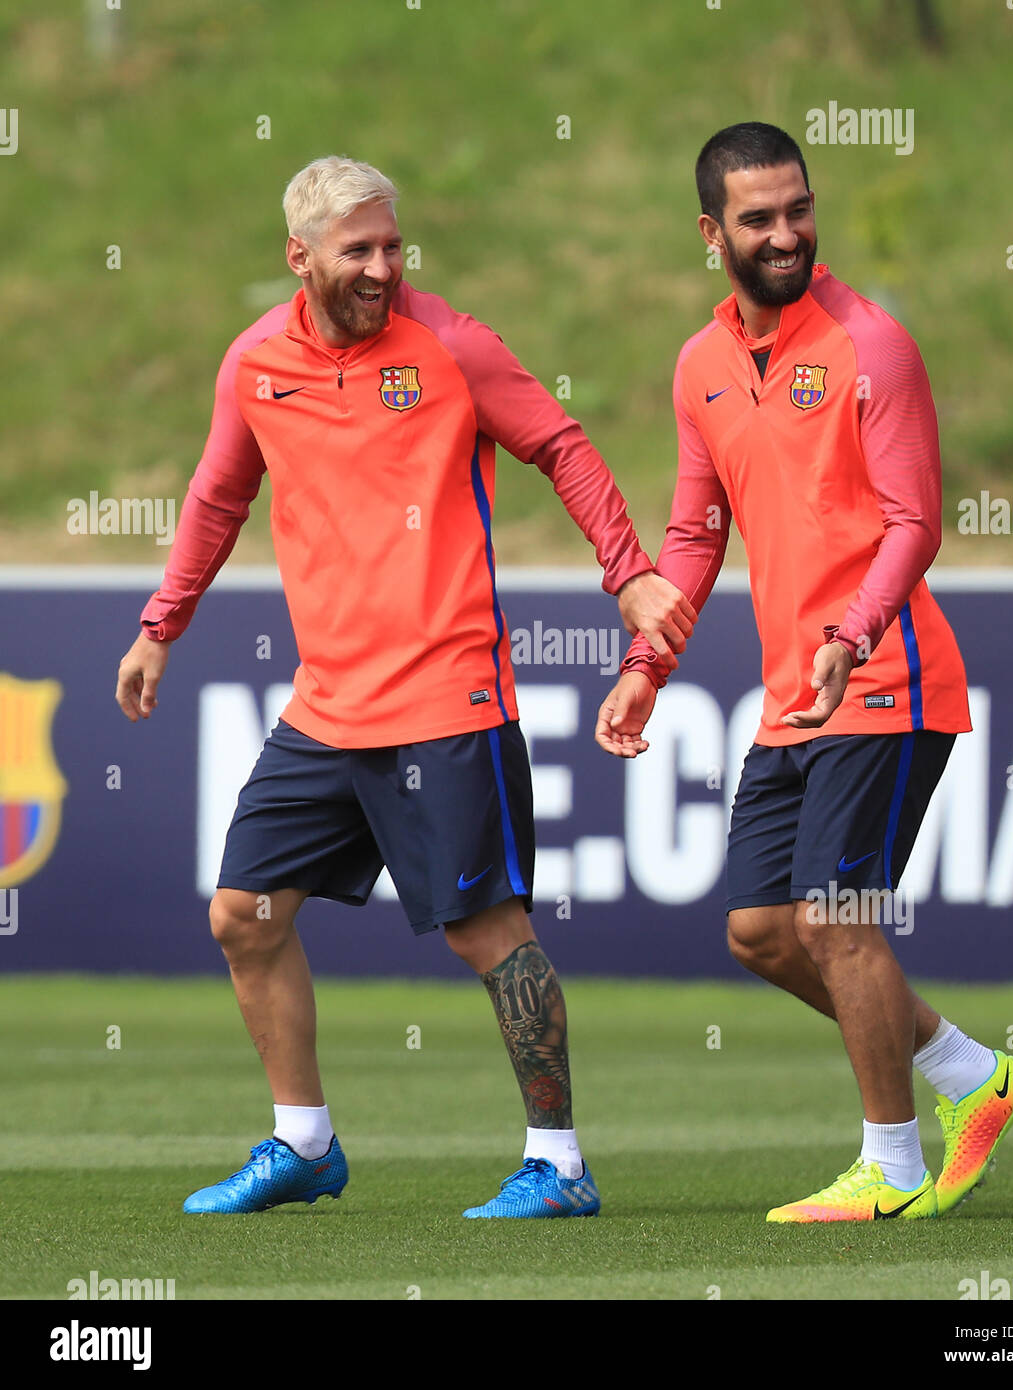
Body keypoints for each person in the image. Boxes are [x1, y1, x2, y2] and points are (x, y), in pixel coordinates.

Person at [115, 155, 695, 1219]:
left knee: (490, 936)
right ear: (299, 259)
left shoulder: (452, 345)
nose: (384, 266)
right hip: (327, 703)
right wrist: (163, 625)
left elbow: (561, 445)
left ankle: (558, 1163)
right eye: (358, 251)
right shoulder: (254, 364)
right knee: (242, 913)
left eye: (393, 245)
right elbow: (214, 497)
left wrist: (629, 570)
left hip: (446, 695)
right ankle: (303, 1143)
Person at [595, 123, 1013, 1222]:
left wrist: (851, 632)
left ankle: (888, 1168)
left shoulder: (870, 343)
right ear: (712, 234)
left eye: (798, 208)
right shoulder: (699, 367)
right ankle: (969, 1077)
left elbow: (914, 520)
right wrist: (650, 659)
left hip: (884, 675)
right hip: (797, 695)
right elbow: (694, 536)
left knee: (838, 916)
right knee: (761, 931)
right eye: (757, 218)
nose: (785, 232)